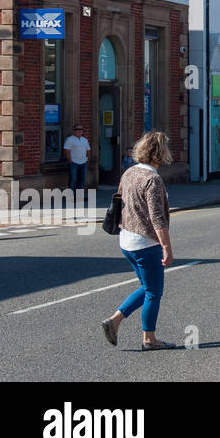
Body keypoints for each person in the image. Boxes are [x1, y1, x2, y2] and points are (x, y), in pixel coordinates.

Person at [102, 132, 180, 351]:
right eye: (165, 148)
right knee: (154, 291)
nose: (168, 152)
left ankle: (114, 321)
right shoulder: (152, 179)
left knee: (147, 287)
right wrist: (166, 247)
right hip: (145, 243)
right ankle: (149, 339)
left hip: (126, 240)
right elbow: (157, 217)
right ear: (158, 153)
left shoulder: (129, 172)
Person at [63, 124, 90, 196]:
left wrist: (86, 159)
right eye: (77, 129)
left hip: (83, 163)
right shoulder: (70, 139)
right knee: (73, 180)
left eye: (81, 129)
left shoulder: (84, 140)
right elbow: (66, 150)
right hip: (74, 163)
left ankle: (79, 196)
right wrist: (70, 160)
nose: (79, 131)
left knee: (82, 180)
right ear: (74, 131)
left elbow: (88, 150)